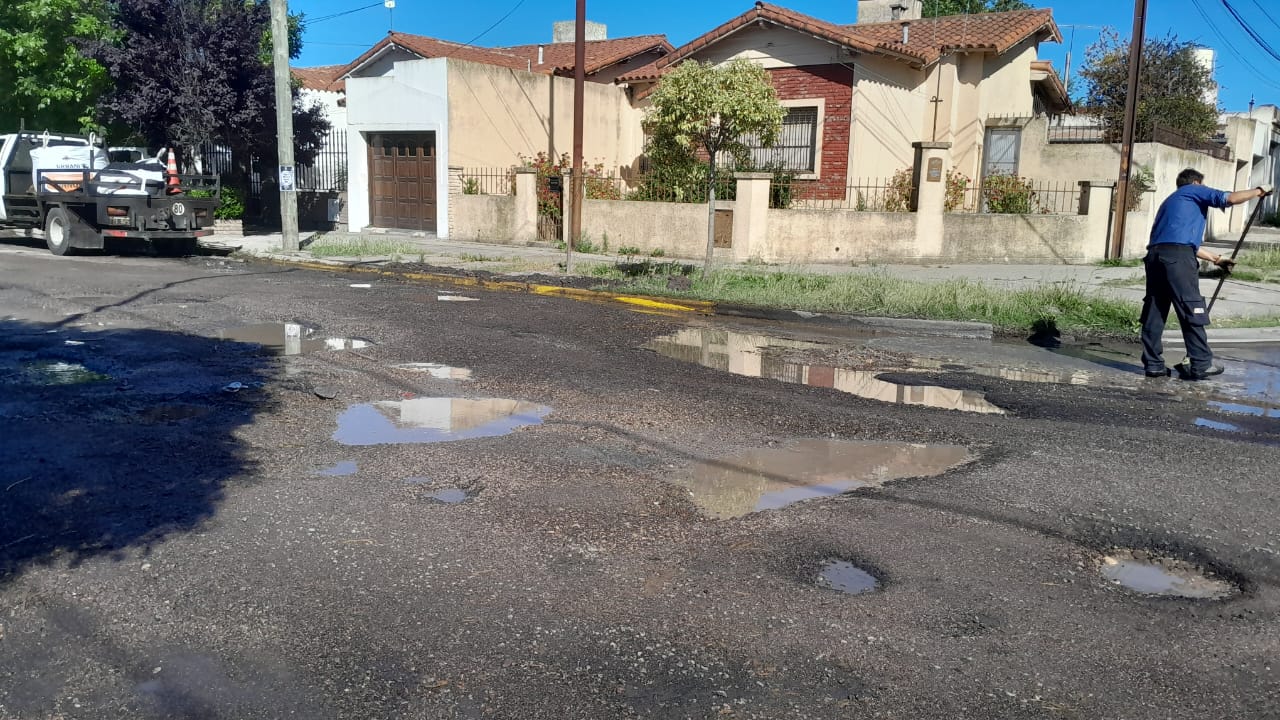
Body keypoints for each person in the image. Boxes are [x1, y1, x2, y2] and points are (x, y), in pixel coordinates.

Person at [1141, 169, 1273, 380]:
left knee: (1155, 310)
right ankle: (1201, 363)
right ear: (1196, 182)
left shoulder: (1171, 201)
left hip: (1156, 256)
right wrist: (1259, 190)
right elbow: (1229, 198)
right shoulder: (1194, 190)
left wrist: (1217, 259)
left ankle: (1153, 365)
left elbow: (1181, 241)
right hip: (1177, 259)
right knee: (1191, 307)